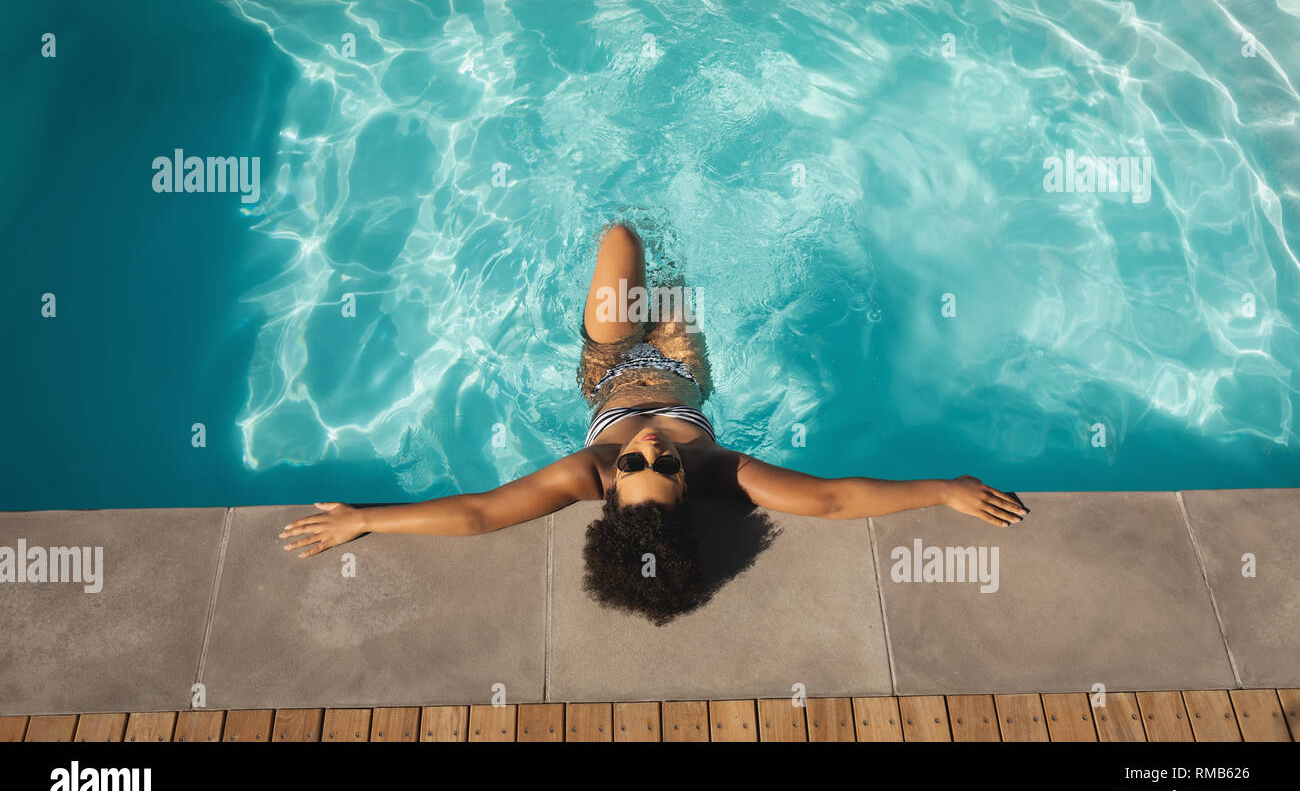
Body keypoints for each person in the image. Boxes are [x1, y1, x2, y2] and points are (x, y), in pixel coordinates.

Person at [281, 223, 1027, 624]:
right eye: (662, 470)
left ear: (608, 495)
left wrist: (368, 521)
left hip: (607, 364)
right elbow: (833, 499)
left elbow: (479, 514)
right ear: (685, 486)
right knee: (669, 276)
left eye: (634, 470)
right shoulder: (720, 471)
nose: (646, 453)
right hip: (677, 364)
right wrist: (942, 488)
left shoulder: (585, 473)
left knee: (620, 240)